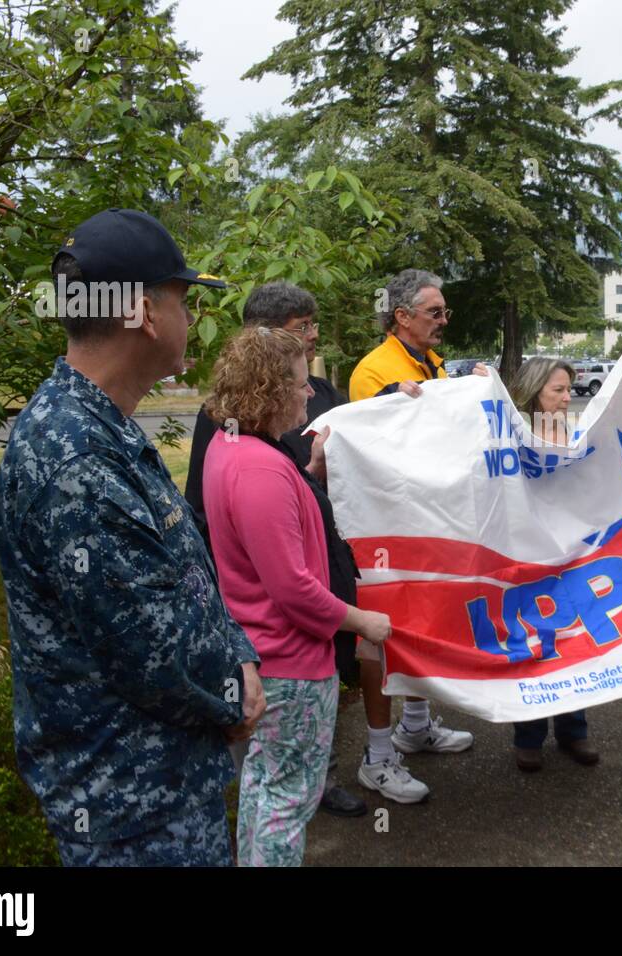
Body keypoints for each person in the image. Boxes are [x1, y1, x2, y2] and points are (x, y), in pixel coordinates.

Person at [0, 209, 264, 866]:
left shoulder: (97, 428)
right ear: (144, 312)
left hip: (155, 794)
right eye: (183, 300)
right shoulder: (77, 461)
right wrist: (236, 686)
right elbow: (151, 651)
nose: (191, 319)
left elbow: (183, 571)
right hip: (134, 814)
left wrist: (237, 651)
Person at [201, 327, 392, 866]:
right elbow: (292, 589)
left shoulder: (233, 447)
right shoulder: (259, 468)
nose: (310, 394)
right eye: (300, 383)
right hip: (292, 666)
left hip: (267, 656)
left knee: (264, 795)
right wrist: (362, 621)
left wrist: (307, 474)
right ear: (268, 388)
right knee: (287, 801)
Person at [184, 281, 366, 819]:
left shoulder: (318, 393)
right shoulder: (230, 434)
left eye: (313, 324)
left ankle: (317, 779)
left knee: (290, 775)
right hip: (278, 629)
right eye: (300, 328)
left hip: (315, 593)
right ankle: (296, 793)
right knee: (275, 790)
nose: (312, 338)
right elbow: (209, 516)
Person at [347, 269, 478, 803]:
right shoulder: (374, 371)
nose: (444, 322)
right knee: (376, 638)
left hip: (428, 522)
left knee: (423, 623)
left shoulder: (432, 364)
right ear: (401, 317)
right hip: (385, 533)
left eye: (444, 312)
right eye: (435, 313)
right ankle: (377, 755)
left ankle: (417, 725)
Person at [505, 357, 600, 772]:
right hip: (525, 557)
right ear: (533, 392)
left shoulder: (574, 433)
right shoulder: (507, 437)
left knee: (572, 640)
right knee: (533, 643)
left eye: (567, 390)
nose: (566, 399)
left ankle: (573, 731)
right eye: (557, 391)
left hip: (571, 555)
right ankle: (528, 736)